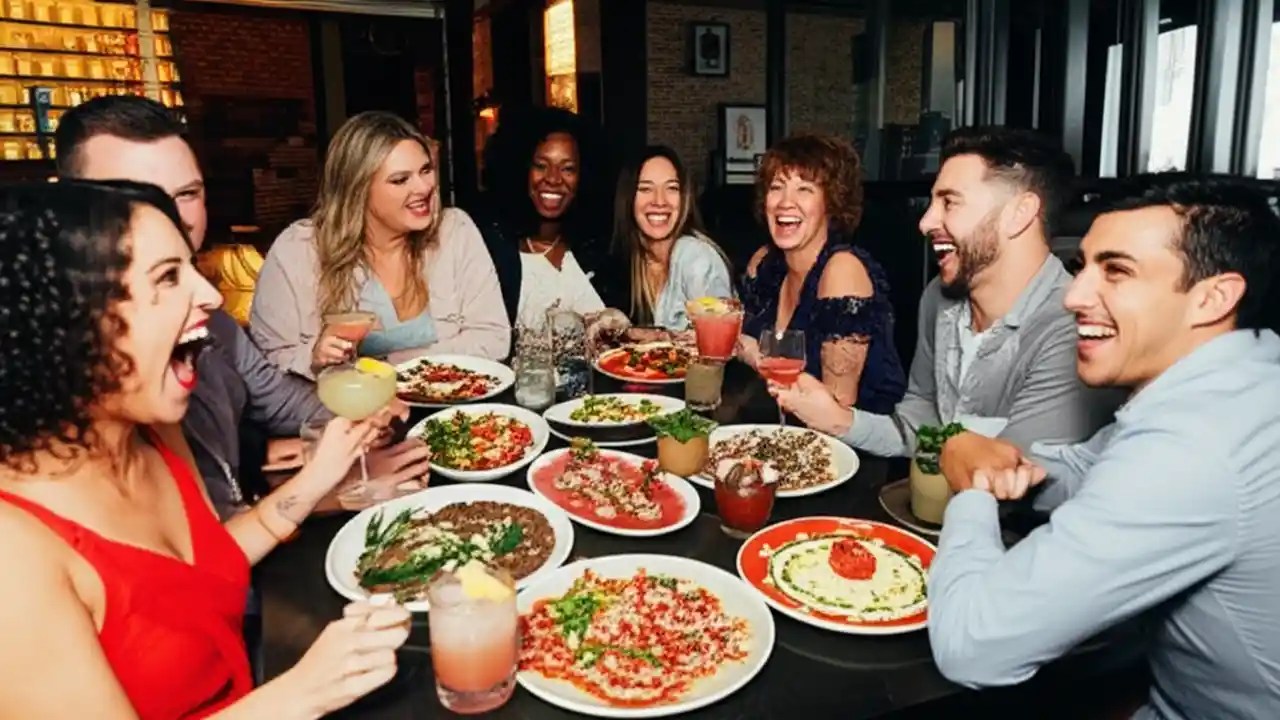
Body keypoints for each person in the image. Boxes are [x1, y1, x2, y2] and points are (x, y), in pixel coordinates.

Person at [0, 180, 411, 718]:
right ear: (71, 325)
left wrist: (321, 473)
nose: (213, 296)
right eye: (168, 277)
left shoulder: (153, 432)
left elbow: (200, 573)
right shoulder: (16, 559)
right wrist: (300, 694)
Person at [927, 175, 1280, 719]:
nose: (1073, 297)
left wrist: (971, 490)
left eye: (1116, 272)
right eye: (1082, 266)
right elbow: (1088, 465)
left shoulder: (1195, 447)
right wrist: (1004, 462)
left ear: (1213, 297)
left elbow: (972, 645)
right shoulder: (1242, 377)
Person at [54, 96, 431, 520]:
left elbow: (279, 401)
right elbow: (193, 544)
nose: (169, 217)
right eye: (135, 196)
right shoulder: (66, 366)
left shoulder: (214, 322)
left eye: (187, 193)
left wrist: (364, 412)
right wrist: (333, 490)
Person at [773, 127, 1118, 460]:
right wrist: (839, 419)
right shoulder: (939, 297)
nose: (925, 222)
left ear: (1019, 214)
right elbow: (919, 426)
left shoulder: (1075, 326)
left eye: (949, 202)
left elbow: (1017, 477)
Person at [252, 111, 510, 377]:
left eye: (426, 170)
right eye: (400, 180)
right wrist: (313, 356)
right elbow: (265, 364)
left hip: (450, 410)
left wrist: (394, 367)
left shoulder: (454, 230)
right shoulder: (299, 249)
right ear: (357, 189)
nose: (424, 187)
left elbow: (493, 339)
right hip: (345, 415)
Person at [740, 134, 906, 415]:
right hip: (781, 426)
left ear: (831, 203)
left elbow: (835, 412)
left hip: (853, 449)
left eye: (804, 189)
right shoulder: (764, 263)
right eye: (777, 187)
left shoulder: (842, 272)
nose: (785, 203)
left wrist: (756, 357)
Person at [472, 105, 618, 333]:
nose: (553, 179)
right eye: (541, 166)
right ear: (519, 170)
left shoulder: (599, 251)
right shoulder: (493, 250)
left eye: (567, 168)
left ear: (585, 177)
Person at [611, 145, 734, 330]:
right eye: (645, 189)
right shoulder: (632, 260)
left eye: (671, 188)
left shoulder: (695, 256)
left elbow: (718, 338)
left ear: (684, 197)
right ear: (629, 198)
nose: (659, 201)